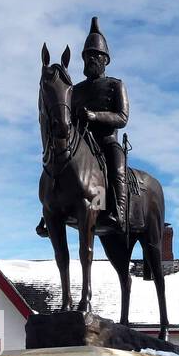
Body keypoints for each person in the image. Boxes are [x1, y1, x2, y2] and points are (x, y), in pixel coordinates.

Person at [36, 16, 130, 238]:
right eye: (87, 56)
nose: (89, 60)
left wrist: (94, 116)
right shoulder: (74, 89)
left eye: (94, 56)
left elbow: (123, 117)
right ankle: (49, 213)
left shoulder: (116, 85)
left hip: (106, 140)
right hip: (80, 142)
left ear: (105, 59)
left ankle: (118, 212)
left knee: (117, 167)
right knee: (56, 164)